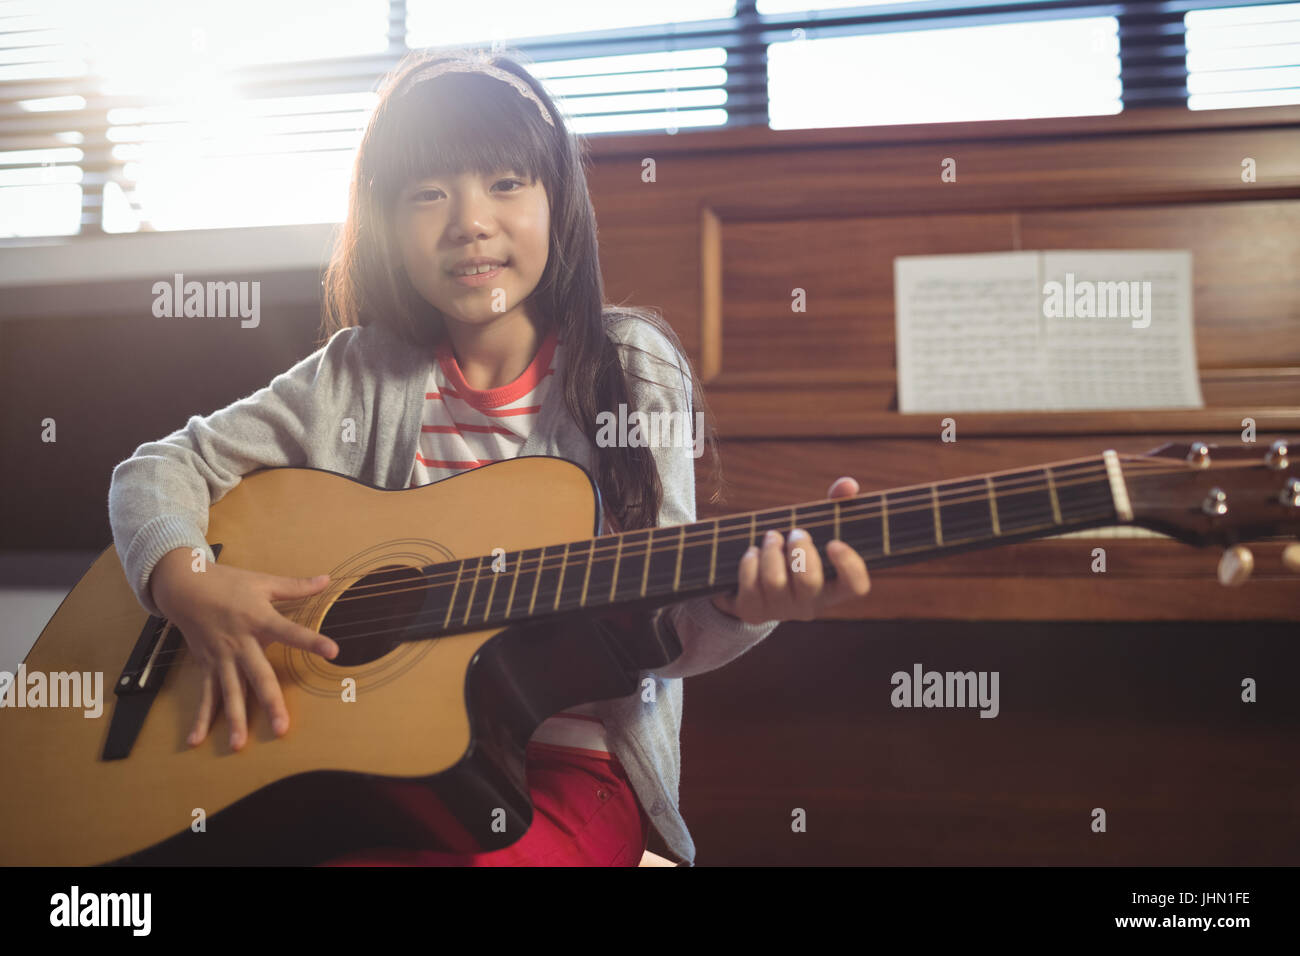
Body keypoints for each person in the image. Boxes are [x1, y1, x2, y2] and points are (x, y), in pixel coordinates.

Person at [107, 46, 872, 867]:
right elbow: (154, 471)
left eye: (506, 183)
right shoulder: (357, 373)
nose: (469, 220)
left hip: (573, 768)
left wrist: (739, 608)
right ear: (388, 225)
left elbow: (668, 623)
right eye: (428, 193)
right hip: (380, 760)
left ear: (559, 202)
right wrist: (188, 582)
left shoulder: (632, 365)